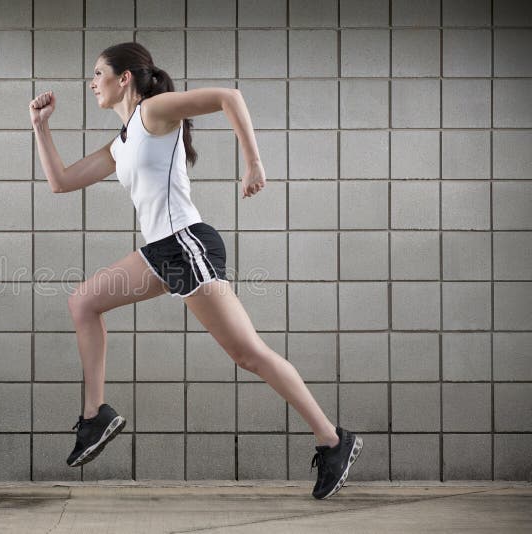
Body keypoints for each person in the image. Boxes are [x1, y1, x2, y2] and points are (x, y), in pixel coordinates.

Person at [28, 42, 362, 499]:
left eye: (98, 73)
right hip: (162, 252)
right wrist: (40, 127)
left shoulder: (154, 112)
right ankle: (94, 417)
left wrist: (253, 163)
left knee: (248, 354)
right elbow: (60, 181)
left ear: (124, 78)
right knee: (83, 302)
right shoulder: (122, 142)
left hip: (187, 244)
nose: (92, 83)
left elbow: (230, 97)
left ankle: (333, 439)